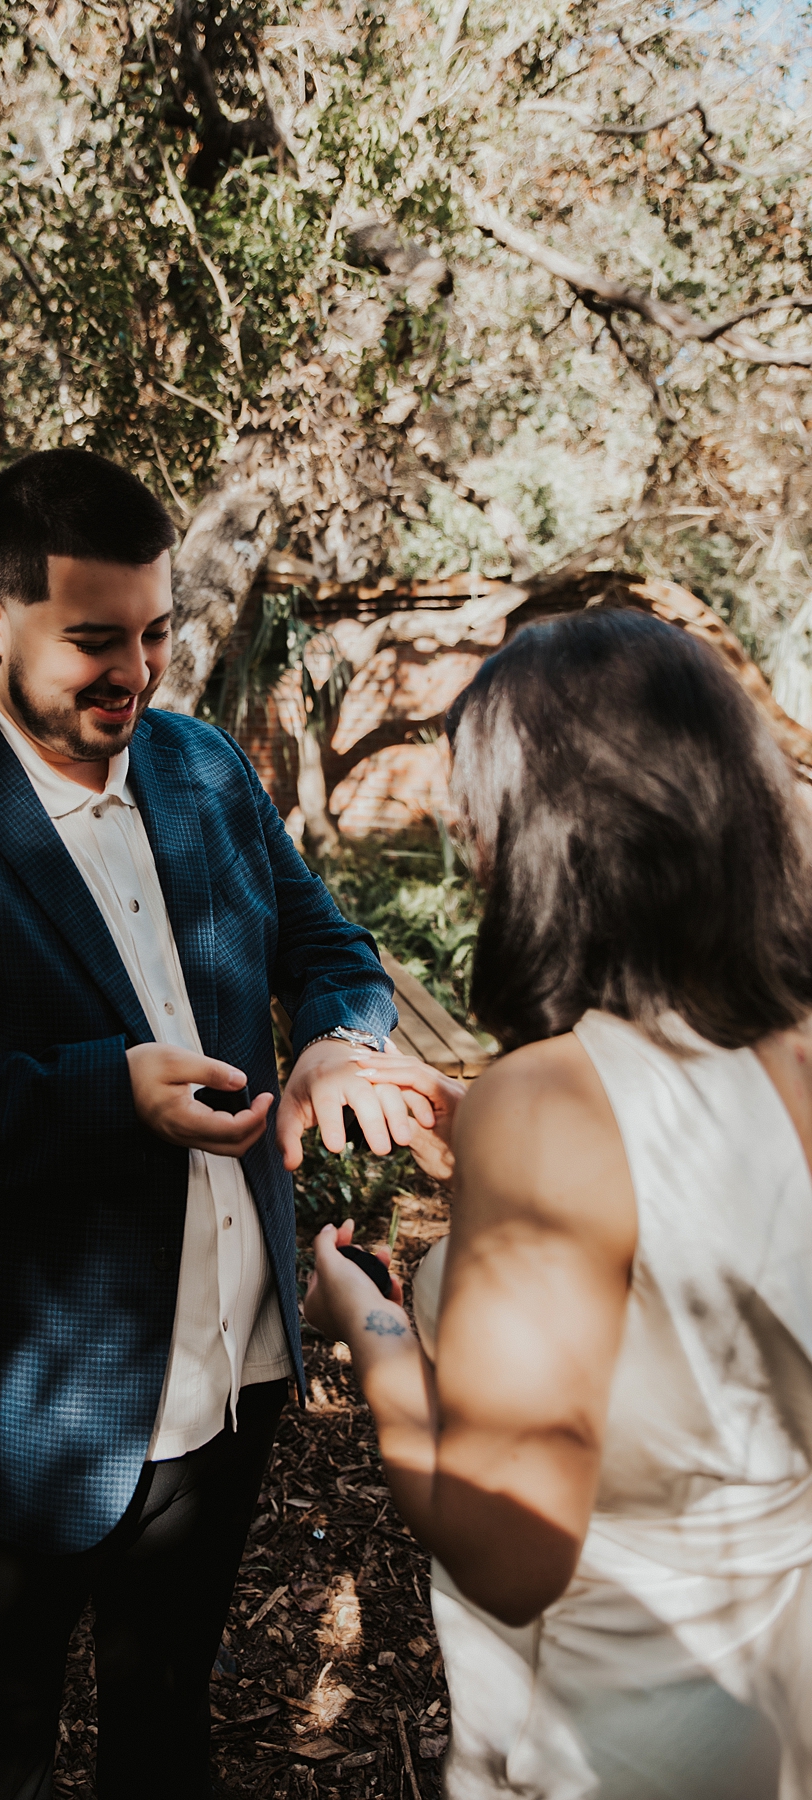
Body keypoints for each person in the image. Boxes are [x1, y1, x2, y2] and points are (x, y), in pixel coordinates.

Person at [0, 447, 454, 1800]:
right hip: (12, 1410)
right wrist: (109, 1092)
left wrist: (335, 1038)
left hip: (233, 1361)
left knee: (166, 1726)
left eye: (154, 634)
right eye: (93, 640)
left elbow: (328, 942)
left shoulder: (202, 767)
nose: (135, 674)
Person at [306, 608, 812, 1799]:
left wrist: (375, 1335)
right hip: (781, 1694)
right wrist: (488, 1144)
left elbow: (509, 1549)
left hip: (611, 1730)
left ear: (552, 832)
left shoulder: (552, 1105)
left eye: (477, 803)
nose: (461, 832)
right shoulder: (787, 1048)